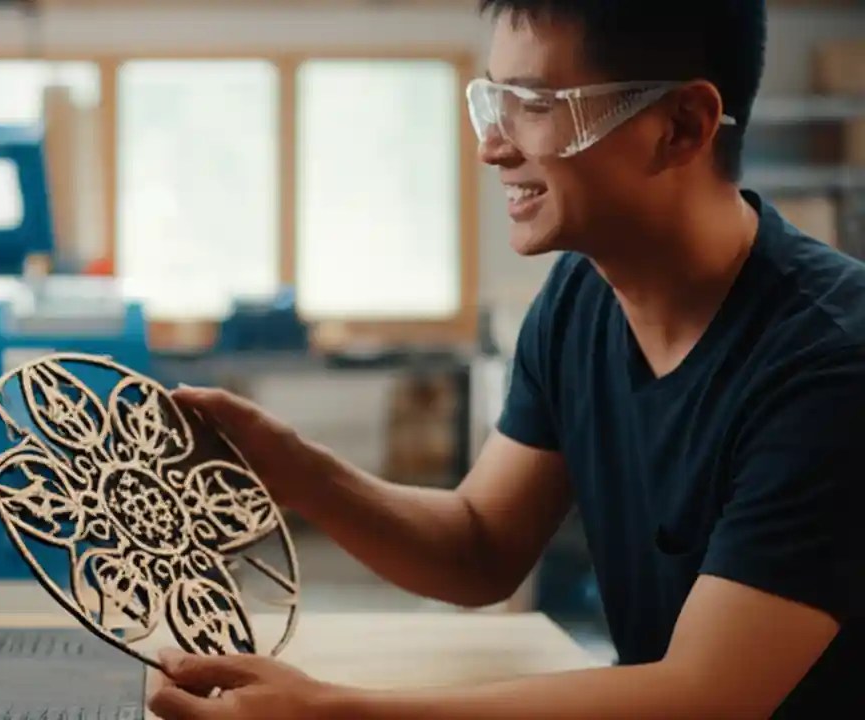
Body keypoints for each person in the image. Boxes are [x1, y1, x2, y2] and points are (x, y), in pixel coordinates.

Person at [148, 0, 865, 717]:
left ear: (681, 126)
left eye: (534, 104)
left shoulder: (831, 362)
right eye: (493, 100)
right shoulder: (582, 297)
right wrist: (295, 467)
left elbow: (707, 696)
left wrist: (335, 712)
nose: (493, 146)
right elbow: (481, 547)